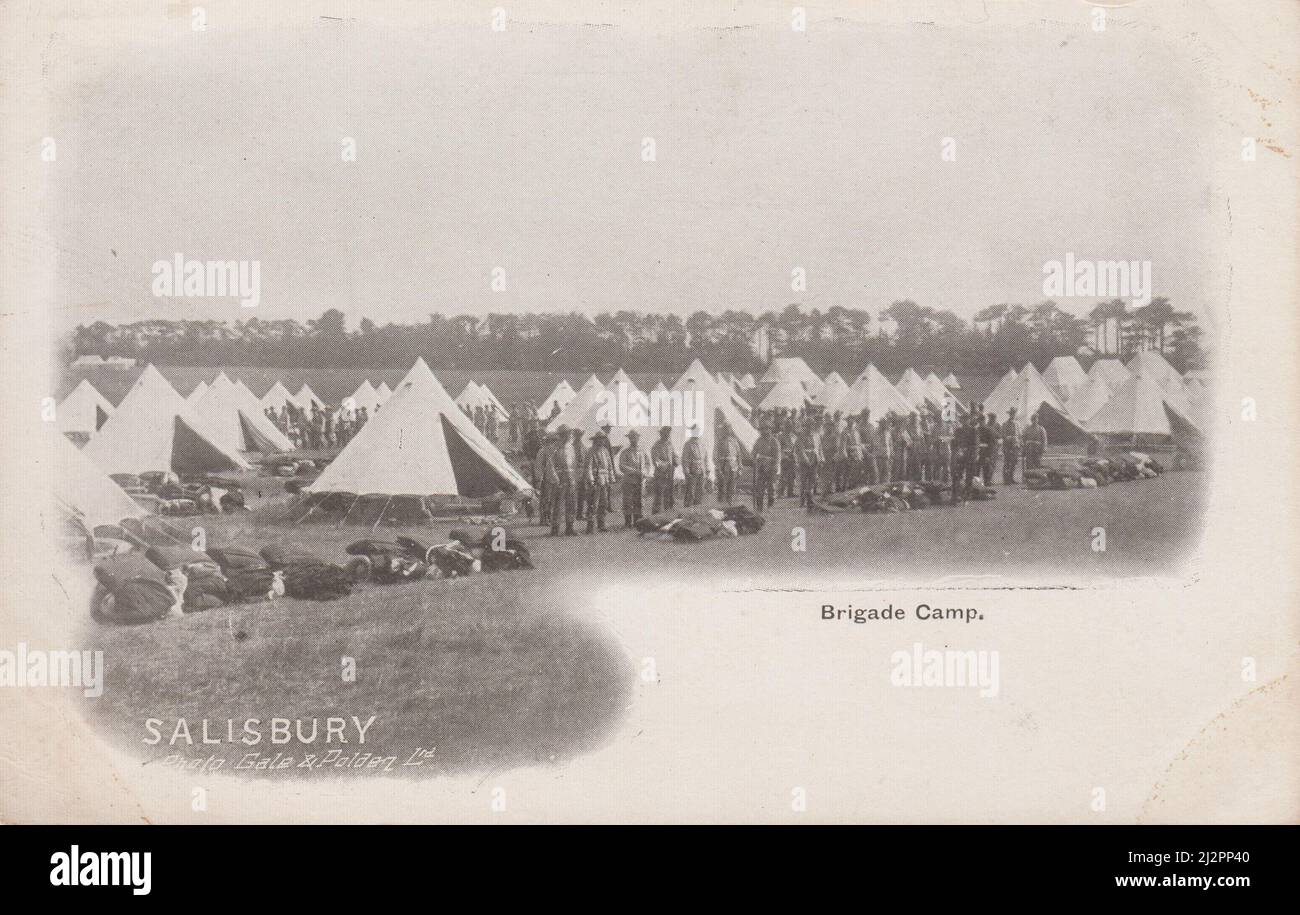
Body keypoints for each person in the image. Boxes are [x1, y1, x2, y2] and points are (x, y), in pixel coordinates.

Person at [544, 424, 578, 536]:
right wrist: (555, 479)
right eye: (566, 434)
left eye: (569, 434)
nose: (569, 436)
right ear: (561, 435)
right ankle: (555, 528)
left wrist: (574, 478)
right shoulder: (554, 448)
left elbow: (574, 464)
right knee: (558, 505)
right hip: (560, 479)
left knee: (571, 503)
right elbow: (550, 465)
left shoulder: (571, 447)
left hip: (571, 478)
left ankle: (570, 527)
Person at [583, 429, 617, 533]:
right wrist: (591, 480)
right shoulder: (591, 451)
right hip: (596, 480)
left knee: (604, 503)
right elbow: (588, 467)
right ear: (595, 440)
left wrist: (611, 478)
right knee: (593, 503)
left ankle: (601, 524)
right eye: (599, 439)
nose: (601, 441)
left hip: (605, 480)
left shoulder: (605, 451)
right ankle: (590, 526)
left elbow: (609, 466)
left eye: (603, 439)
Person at [618, 429, 652, 527]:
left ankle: (638, 521)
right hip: (629, 480)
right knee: (628, 501)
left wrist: (644, 472)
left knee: (639, 500)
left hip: (640, 481)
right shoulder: (625, 452)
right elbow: (622, 465)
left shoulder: (642, 451)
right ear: (629, 439)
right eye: (631, 438)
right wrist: (634, 471)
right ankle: (628, 522)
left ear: (638, 438)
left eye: (635, 437)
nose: (633, 440)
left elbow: (647, 464)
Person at [752, 420, 781, 512]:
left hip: (771, 467)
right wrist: (754, 460)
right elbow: (753, 452)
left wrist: (775, 466)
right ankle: (759, 507)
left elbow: (777, 456)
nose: (764, 431)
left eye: (766, 429)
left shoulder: (774, 441)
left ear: (770, 430)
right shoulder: (759, 441)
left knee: (771, 488)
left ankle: (770, 507)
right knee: (759, 487)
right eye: (762, 429)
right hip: (761, 467)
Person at [951, 412, 980, 502]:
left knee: (969, 477)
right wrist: (956, 451)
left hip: (970, 456)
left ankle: (967, 495)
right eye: (963, 420)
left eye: (966, 419)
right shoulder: (958, 431)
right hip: (959, 456)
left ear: (969, 420)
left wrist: (973, 454)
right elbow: (954, 443)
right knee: (957, 475)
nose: (964, 421)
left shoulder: (973, 430)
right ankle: (956, 495)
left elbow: (976, 444)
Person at [713, 422, 742, 505]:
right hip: (722, 466)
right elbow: (715, 455)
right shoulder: (719, 442)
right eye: (725, 429)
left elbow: (739, 454)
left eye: (728, 429)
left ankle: (730, 502)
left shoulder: (734, 441)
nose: (727, 431)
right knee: (722, 485)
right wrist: (718, 467)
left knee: (732, 485)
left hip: (733, 466)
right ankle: (721, 503)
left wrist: (740, 467)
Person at [650, 426, 678, 513]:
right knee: (658, 497)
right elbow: (656, 461)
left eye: (668, 433)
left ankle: (668, 515)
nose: (667, 435)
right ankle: (655, 517)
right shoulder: (656, 446)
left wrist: (676, 461)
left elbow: (674, 455)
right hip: (660, 475)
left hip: (670, 474)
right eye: (665, 433)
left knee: (669, 496)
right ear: (661, 434)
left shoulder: (670, 444)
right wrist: (667, 465)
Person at [795, 419, 821, 510]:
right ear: (805, 427)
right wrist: (806, 460)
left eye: (811, 425)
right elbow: (801, 450)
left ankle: (810, 499)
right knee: (803, 481)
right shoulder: (801, 436)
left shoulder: (816, 435)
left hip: (814, 459)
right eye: (808, 426)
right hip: (804, 461)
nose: (810, 427)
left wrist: (821, 458)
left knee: (812, 481)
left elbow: (819, 448)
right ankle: (802, 501)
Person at [534, 430, 557, 527]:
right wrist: (539, 479)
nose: (553, 443)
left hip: (555, 478)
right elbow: (539, 466)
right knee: (545, 499)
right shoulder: (542, 451)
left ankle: (550, 517)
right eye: (552, 441)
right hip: (546, 479)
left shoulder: (556, 451)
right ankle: (544, 518)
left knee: (552, 499)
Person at [681, 424, 707, 508]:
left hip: (701, 470)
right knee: (690, 493)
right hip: (692, 471)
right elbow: (685, 459)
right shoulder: (688, 444)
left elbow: (705, 458)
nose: (697, 432)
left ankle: (697, 511)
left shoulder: (702, 443)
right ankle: (687, 511)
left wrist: (707, 469)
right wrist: (687, 472)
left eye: (698, 431)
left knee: (699, 492)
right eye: (695, 431)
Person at [1000, 407, 1022, 485]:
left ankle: (1011, 478)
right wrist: (1009, 438)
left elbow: (1020, 435)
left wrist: (1019, 443)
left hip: (1015, 446)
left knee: (1014, 462)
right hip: (1008, 445)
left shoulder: (1017, 424)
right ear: (1009, 414)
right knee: (1007, 462)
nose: (1013, 415)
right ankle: (1006, 479)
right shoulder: (1005, 424)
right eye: (1011, 414)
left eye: (1014, 414)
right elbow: (1003, 435)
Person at [778, 422, 797, 498]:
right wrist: (785, 456)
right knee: (784, 476)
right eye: (787, 426)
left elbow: (795, 447)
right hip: (784, 457)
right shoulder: (781, 436)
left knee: (792, 475)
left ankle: (790, 492)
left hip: (792, 457)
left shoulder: (794, 436)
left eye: (790, 427)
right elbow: (779, 448)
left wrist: (794, 456)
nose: (789, 428)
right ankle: (781, 492)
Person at [978, 413, 999, 484]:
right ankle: (977, 483)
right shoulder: (977, 430)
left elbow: (991, 444)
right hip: (978, 451)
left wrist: (988, 455)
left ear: (984, 421)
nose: (980, 423)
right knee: (977, 468)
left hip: (986, 451)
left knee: (987, 468)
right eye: (979, 421)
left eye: (981, 421)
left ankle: (987, 482)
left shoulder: (989, 430)